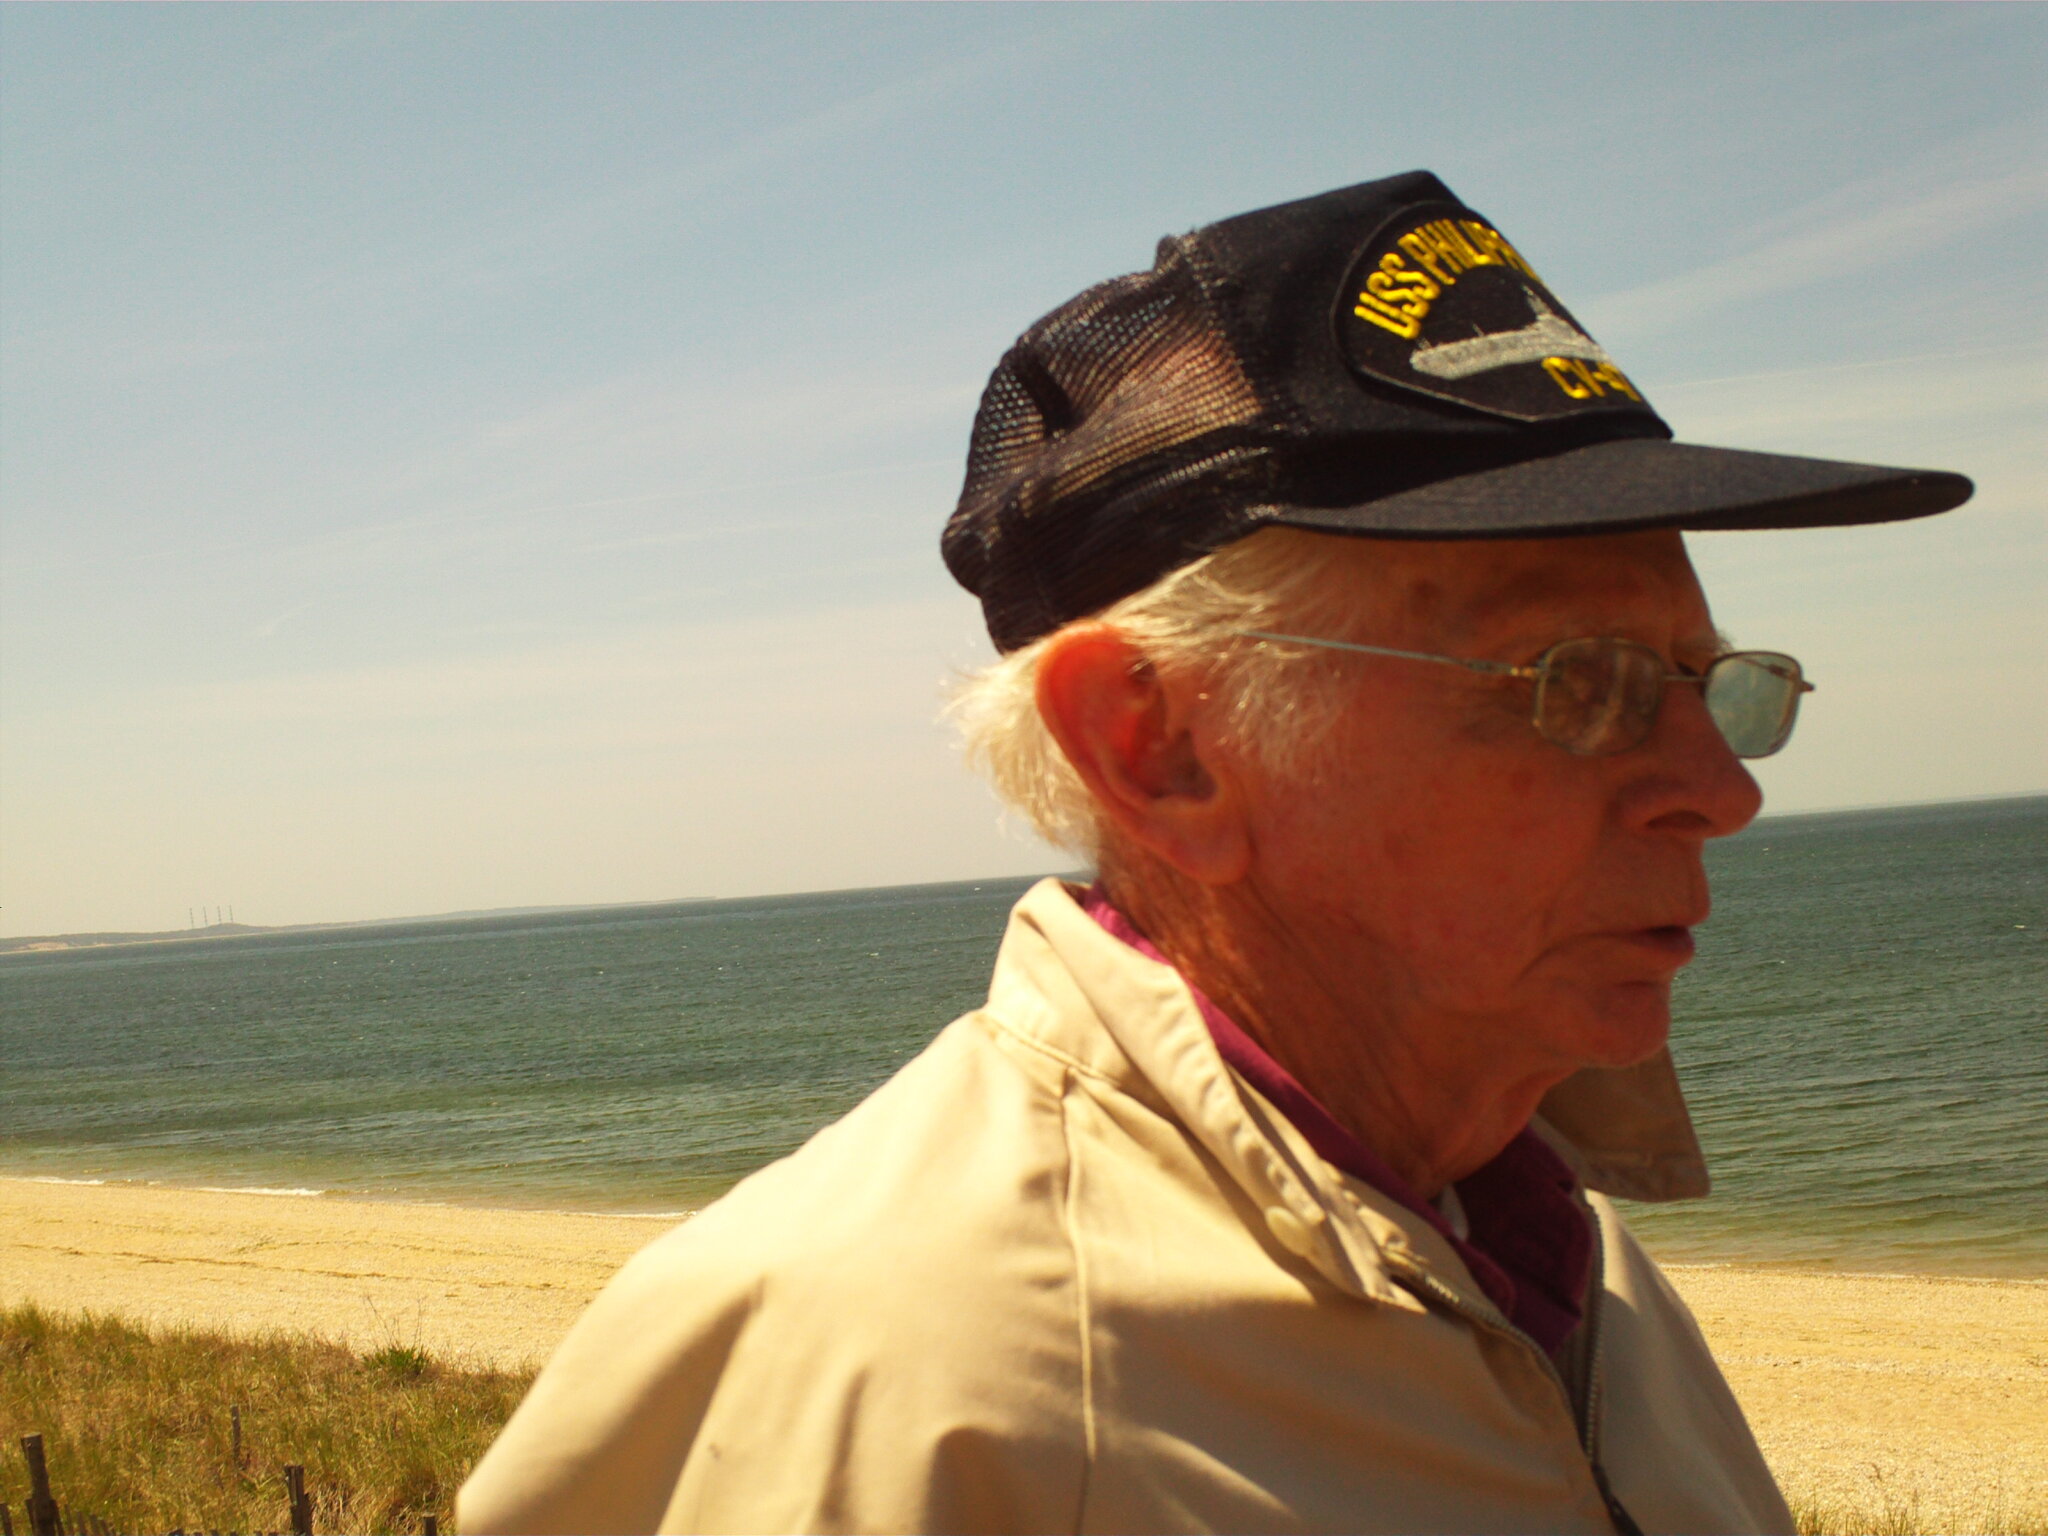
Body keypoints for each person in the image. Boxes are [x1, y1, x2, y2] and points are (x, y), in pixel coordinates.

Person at [458, 171, 1971, 1535]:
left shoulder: (1552, 1265)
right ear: (1158, 745)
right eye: (1576, 682)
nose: (1718, 791)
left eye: (1715, 685)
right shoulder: (906, 1364)